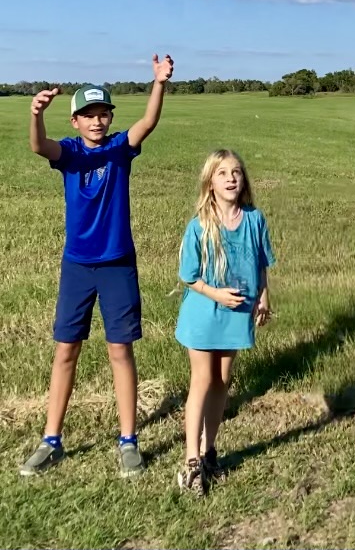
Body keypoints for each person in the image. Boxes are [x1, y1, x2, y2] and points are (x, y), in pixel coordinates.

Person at [20, 53, 174, 479]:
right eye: (88, 115)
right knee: (66, 349)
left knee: (119, 350)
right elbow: (38, 146)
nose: (97, 121)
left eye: (102, 113)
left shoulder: (120, 149)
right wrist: (36, 114)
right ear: (75, 121)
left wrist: (158, 83)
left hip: (117, 263)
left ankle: (128, 440)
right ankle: (51, 440)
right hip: (77, 266)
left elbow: (147, 124)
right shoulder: (68, 154)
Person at [175, 149, 275, 495]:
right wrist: (216, 294)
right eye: (222, 173)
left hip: (238, 312)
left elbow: (261, 261)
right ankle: (190, 461)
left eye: (236, 172)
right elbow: (188, 276)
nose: (231, 178)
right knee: (202, 379)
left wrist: (263, 295)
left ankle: (209, 450)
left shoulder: (254, 219)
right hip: (204, 312)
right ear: (210, 182)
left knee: (223, 379)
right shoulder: (200, 225)